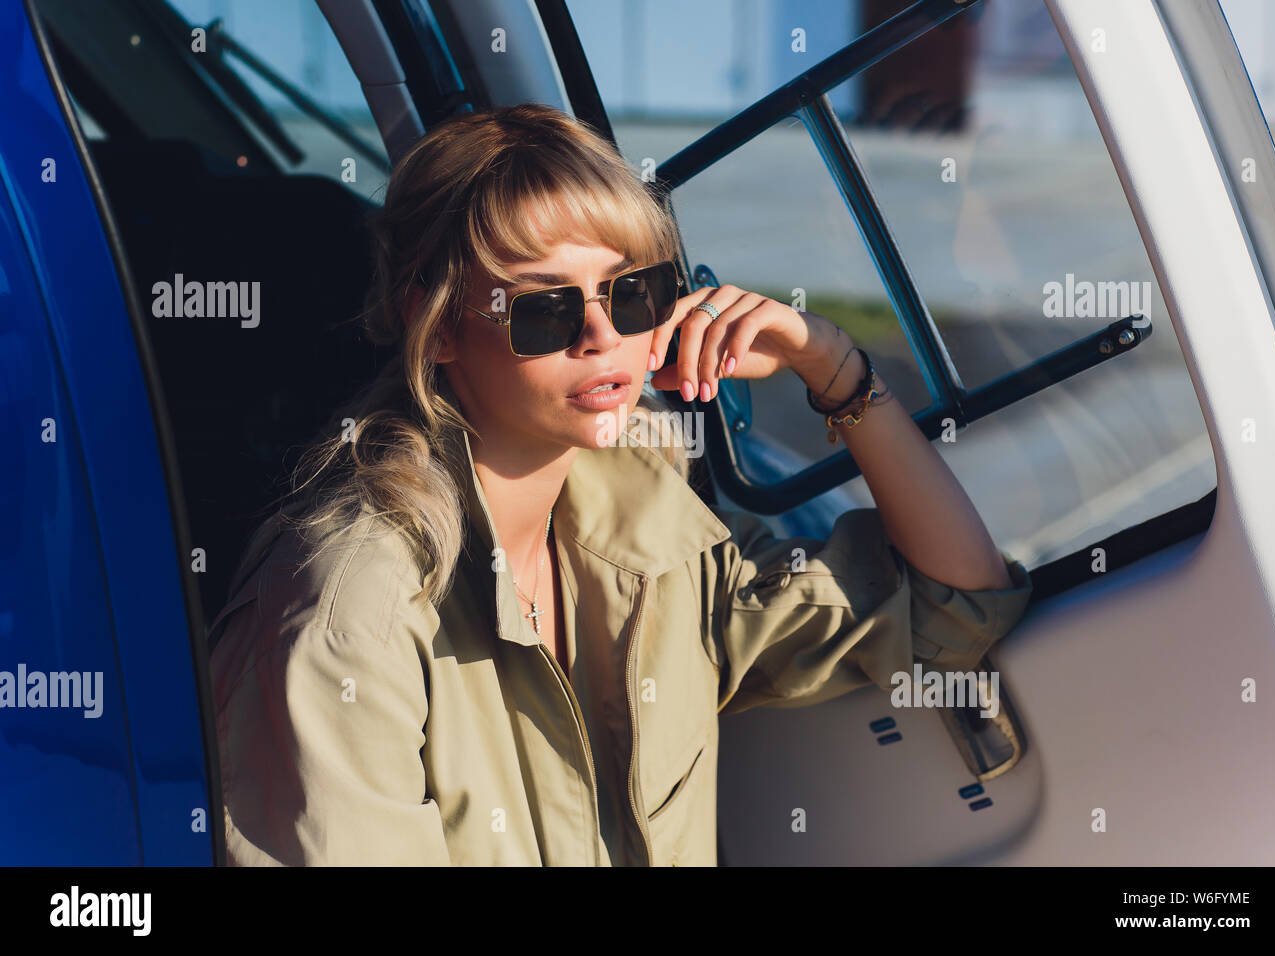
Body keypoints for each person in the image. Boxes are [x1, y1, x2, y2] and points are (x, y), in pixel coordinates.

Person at [207, 102, 1032, 866]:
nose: (603, 336)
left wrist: (832, 368)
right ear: (438, 321)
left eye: (634, 293)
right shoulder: (352, 615)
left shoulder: (653, 542)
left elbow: (952, 607)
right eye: (545, 309)